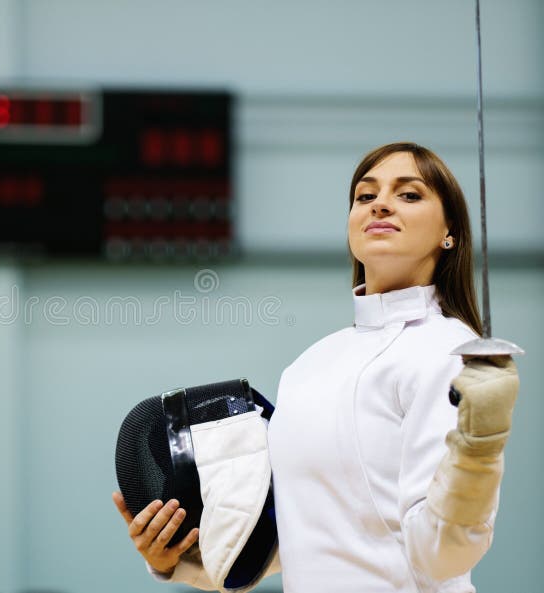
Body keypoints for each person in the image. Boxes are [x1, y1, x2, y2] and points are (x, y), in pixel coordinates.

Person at [112, 142, 520, 593]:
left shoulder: (450, 351)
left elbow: (441, 555)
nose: (380, 203)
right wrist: (176, 559)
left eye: (409, 194)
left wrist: (478, 454)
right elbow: (291, 542)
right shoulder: (309, 366)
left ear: (450, 233)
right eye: (365, 196)